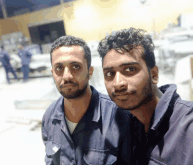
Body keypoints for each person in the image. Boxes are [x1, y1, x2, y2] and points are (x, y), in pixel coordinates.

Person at [97, 27, 193, 165]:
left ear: (154, 75)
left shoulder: (188, 128)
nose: (118, 83)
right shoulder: (129, 126)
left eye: (130, 69)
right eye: (109, 74)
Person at [41, 35, 131, 165]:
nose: (66, 76)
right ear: (52, 72)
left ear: (90, 71)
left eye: (76, 66)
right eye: (59, 68)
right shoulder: (49, 117)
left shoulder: (119, 117)